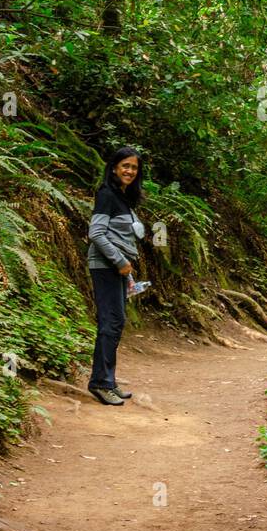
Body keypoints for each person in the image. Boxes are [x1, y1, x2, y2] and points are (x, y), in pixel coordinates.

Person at [86, 145, 146, 405]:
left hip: (119, 267)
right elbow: (96, 233)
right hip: (105, 265)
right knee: (110, 323)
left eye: (134, 167)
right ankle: (100, 383)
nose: (130, 171)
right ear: (114, 167)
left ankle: (108, 380)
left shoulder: (123, 197)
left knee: (117, 321)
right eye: (125, 166)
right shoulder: (107, 194)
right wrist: (120, 261)